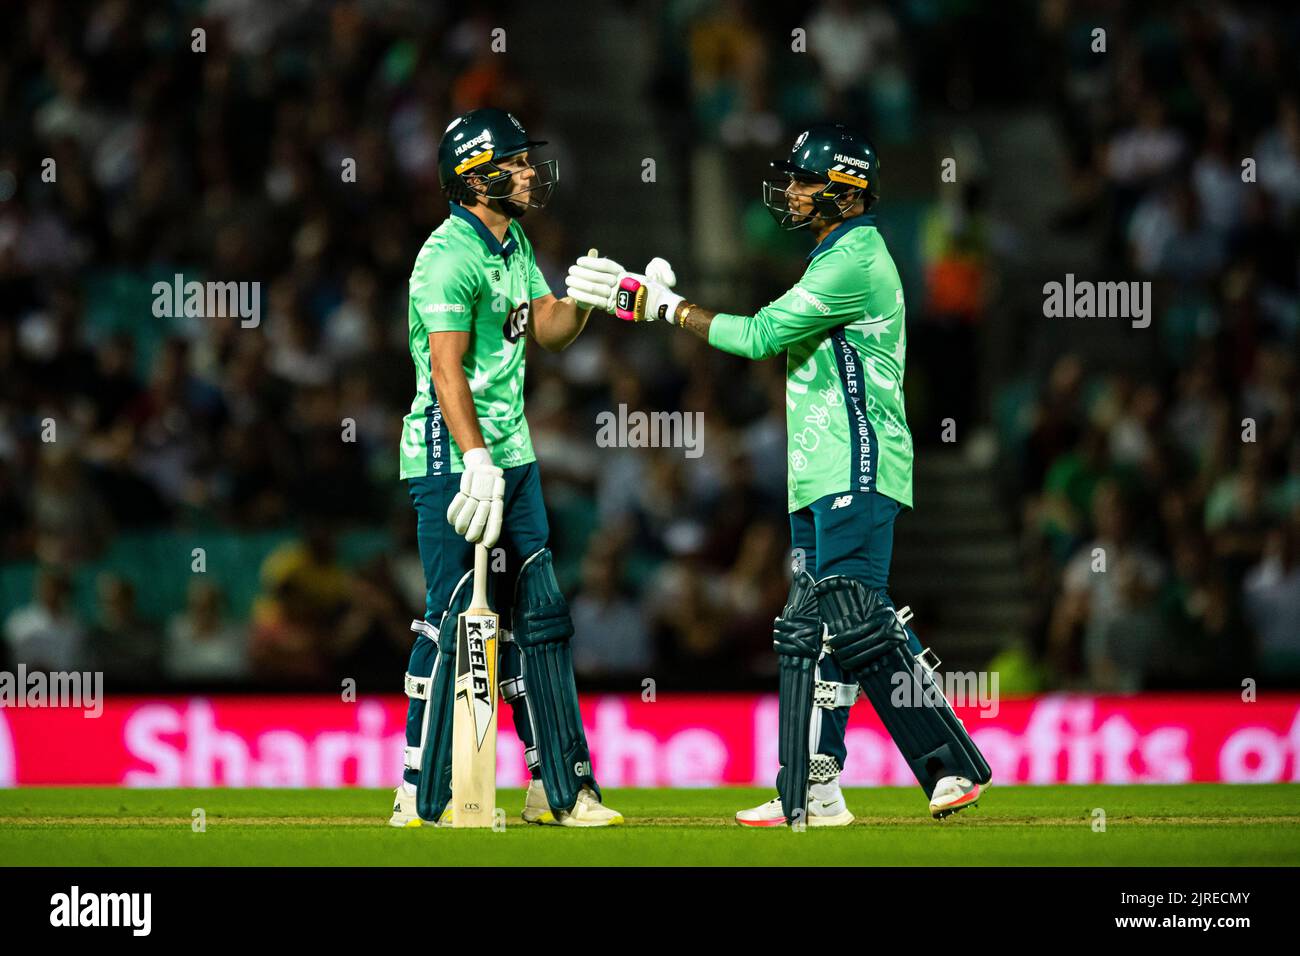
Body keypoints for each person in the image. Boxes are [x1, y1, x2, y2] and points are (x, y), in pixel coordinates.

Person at [567, 123, 991, 825]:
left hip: (858, 459)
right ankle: (813, 787)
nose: (791, 191)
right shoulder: (833, 255)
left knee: (856, 617)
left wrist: (663, 306)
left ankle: (950, 766)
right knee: (811, 629)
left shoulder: (856, 257)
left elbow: (761, 335)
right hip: (819, 470)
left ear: (845, 190)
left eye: (805, 180)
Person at [389, 108, 626, 827]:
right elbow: (446, 371)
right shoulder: (445, 257)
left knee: (539, 617)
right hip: (452, 452)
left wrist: (583, 302)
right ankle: (414, 786)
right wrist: (475, 459)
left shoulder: (513, 240)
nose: (528, 172)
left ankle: (553, 785)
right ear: (475, 175)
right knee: (449, 617)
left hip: (512, 452)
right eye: (516, 161)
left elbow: (544, 328)